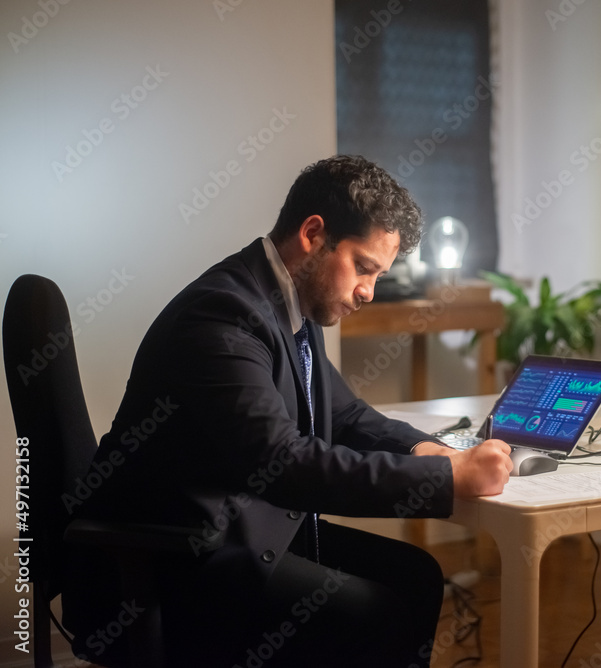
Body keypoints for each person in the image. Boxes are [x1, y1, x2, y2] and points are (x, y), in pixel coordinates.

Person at [65, 155, 512, 667]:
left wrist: (423, 448)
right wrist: (441, 477)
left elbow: (345, 416)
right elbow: (283, 463)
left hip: (241, 530)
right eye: (364, 267)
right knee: (377, 613)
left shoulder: (286, 303)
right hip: (176, 558)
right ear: (313, 234)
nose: (368, 292)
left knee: (417, 576)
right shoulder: (223, 315)